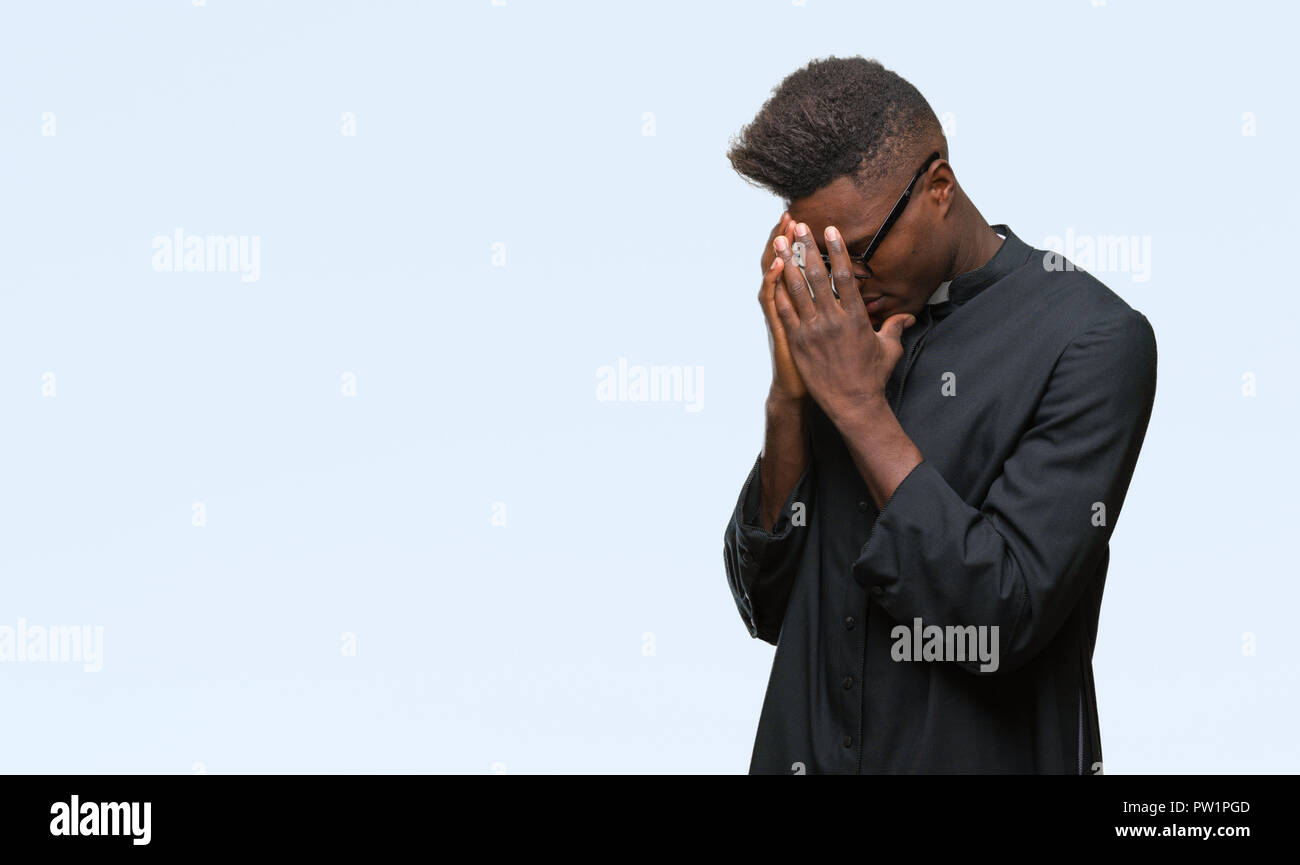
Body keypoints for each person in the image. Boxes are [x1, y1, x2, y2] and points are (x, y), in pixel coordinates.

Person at [721, 55, 1157, 774]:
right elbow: (767, 607)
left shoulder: (1094, 341)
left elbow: (1000, 617)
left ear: (938, 188)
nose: (843, 280)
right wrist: (791, 394)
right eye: (822, 254)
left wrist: (860, 408)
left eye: (857, 251)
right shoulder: (839, 333)